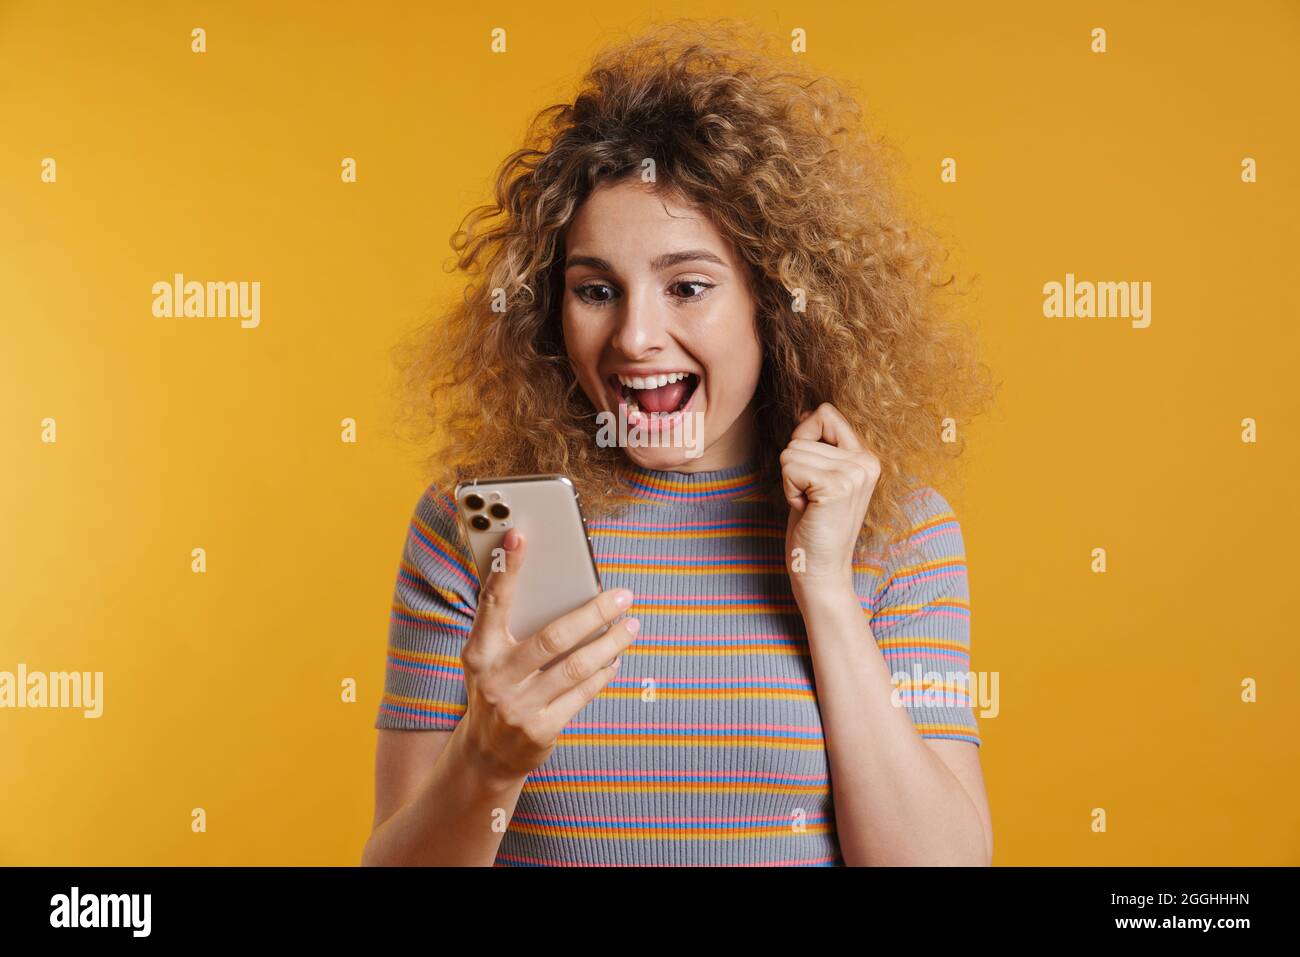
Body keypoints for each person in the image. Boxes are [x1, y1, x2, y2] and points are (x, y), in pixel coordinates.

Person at [362, 20, 996, 866]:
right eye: (596, 290)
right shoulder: (477, 525)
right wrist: (486, 761)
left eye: (687, 286)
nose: (635, 336)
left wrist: (829, 591)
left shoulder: (900, 529)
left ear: (774, 301)